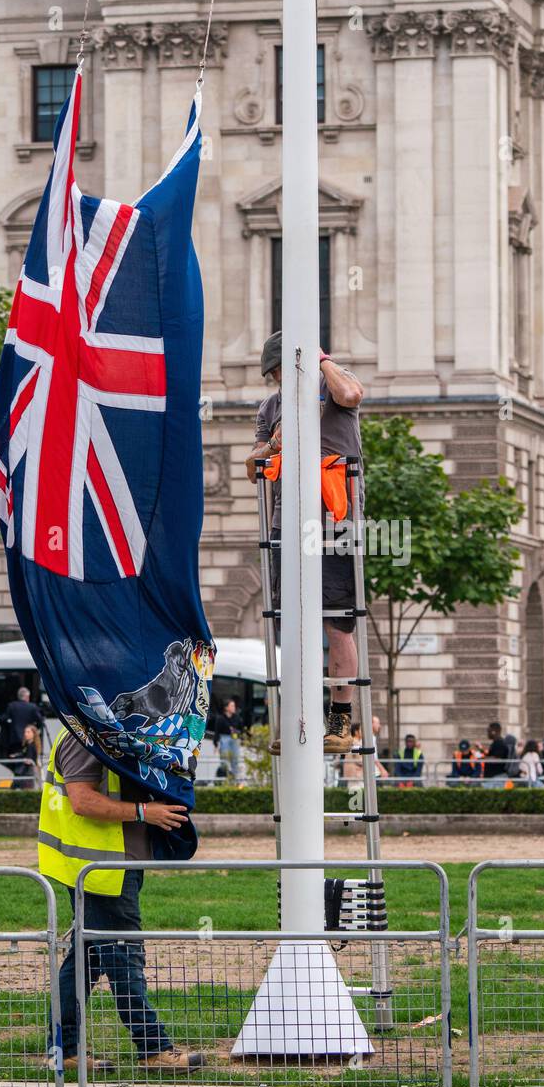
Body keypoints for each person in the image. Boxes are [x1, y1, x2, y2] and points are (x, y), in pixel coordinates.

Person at [40, 725, 205, 1072]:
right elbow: (82, 799)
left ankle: (62, 1051)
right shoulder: (83, 733)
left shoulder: (103, 730)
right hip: (100, 868)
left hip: (109, 863)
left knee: (87, 958)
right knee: (124, 955)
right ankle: (153, 1049)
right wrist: (146, 812)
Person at [246, 331, 364, 755]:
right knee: (290, 621)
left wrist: (323, 362)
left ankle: (339, 722)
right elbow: (252, 465)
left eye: (282, 370)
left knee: (338, 621)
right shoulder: (270, 407)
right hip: (286, 523)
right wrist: (271, 448)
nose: (279, 379)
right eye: (275, 373)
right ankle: (299, 715)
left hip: (335, 518)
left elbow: (350, 394)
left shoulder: (333, 384)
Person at [212, 697, 243, 783]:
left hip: (235, 739)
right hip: (224, 739)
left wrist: (237, 732)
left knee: (235, 760)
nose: (234, 708)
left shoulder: (237, 717)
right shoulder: (220, 718)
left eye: (234, 706)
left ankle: (235, 781)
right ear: (226, 707)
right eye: (232, 706)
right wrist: (215, 744)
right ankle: (224, 780)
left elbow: (241, 729)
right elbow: (217, 731)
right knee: (224, 761)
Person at [11, 724, 41, 790]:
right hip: (26, 772)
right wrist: (17, 756)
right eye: (25, 732)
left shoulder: (31, 745)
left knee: (26, 790)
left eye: (28, 732)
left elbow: (29, 760)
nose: (26, 734)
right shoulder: (28, 745)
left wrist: (21, 758)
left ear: (34, 734)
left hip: (28, 772)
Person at [483, 722, 513, 787]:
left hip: (496, 777)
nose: (487, 734)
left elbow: (497, 759)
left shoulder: (499, 743)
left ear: (493, 732)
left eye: (488, 731)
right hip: (493, 778)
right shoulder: (496, 743)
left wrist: (483, 758)